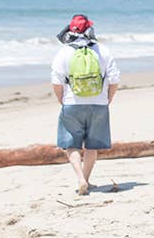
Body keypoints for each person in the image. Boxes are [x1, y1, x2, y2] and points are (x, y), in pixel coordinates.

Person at [50, 14, 120, 194]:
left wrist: (62, 100)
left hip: (72, 103)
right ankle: (86, 180)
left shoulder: (64, 52)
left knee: (71, 145)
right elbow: (114, 79)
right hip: (99, 103)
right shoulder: (102, 50)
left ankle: (80, 179)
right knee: (92, 146)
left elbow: (56, 81)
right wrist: (108, 99)